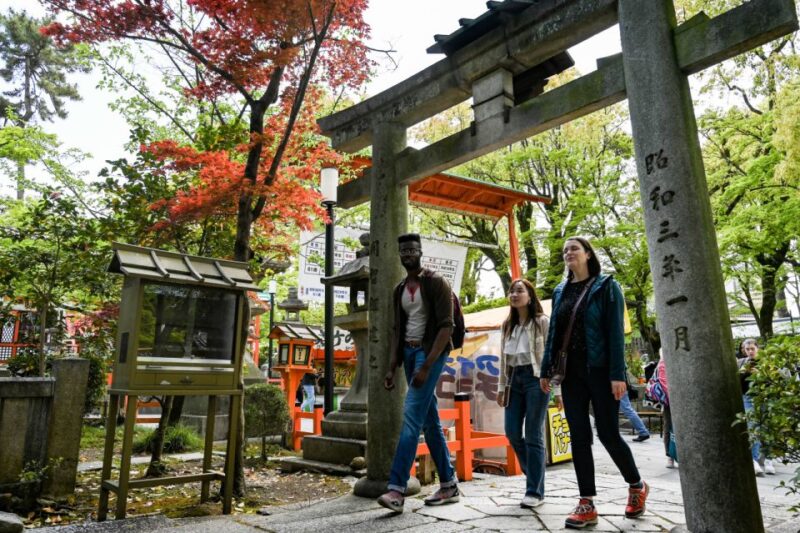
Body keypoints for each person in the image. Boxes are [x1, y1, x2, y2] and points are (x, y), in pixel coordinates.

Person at [540, 236, 648, 529]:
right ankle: (586, 501)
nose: (568, 253)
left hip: (601, 372)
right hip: (571, 373)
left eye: (574, 248)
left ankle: (636, 486)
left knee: (609, 434)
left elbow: (615, 333)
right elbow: (553, 335)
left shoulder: (607, 287)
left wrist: (618, 375)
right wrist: (545, 370)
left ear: (588, 254)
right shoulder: (560, 290)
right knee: (579, 437)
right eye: (564, 250)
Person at [377, 233, 459, 513]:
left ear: (420, 251)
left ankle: (396, 489)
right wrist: (392, 367)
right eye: (404, 250)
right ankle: (449, 484)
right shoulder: (399, 288)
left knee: (411, 418)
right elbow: (396, 331)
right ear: (399, 254)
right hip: (410, 354)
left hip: (430, 352)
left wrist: (426, 366)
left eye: (412, 248)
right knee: (429, 422)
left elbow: (446, 327)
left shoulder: (436, 282)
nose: (408, 253)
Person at [497, 279, 555, 508]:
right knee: (511, 432)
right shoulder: (506, 325)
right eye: (512, 291)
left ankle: (534, 491)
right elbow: (504, 360)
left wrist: (556, 388)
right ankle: (534, 472)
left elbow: (551, 356)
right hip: (513, 381)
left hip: (536, 380)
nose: (514, 294)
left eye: (519, 290)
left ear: (530, 296)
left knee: (533, 434)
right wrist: (501, 388)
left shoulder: (542, 322)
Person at [737, 338, 775, 476]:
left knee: (767, 428)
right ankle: (755, 461)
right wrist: (744, 373)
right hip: (748, 397)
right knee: (753, 428)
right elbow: (738, 384)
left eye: (752, 348)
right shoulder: (741, 363)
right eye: (747, 349)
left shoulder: (766, 362)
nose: (750, 352)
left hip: (765, 397)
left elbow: (774, 381)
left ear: (758, 348)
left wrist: (761, 373)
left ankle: (769, 459)